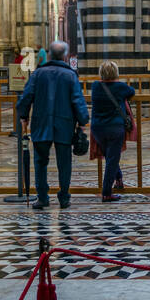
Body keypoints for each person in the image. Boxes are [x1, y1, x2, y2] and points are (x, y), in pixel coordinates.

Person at [16, 39, 89, 211]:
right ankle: (64, 197)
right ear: (64, 56)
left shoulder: (38, 74)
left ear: (49, 54)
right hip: (64, 125)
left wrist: (24, 116)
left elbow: (26, 97)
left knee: (40, 162)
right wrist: (83, 120)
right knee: (64, 163)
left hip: (41, 124)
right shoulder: (70, 75)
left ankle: (42, 198)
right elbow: (77, 100)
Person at [90, 61, 135, 203]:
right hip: (115, 128)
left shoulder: (96, 86)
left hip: (97, 128)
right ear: (116, 73)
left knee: (110, 157)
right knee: (112, 159)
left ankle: (119, 179)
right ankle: (106, 193)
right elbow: (131, 92)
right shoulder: (120, 87)